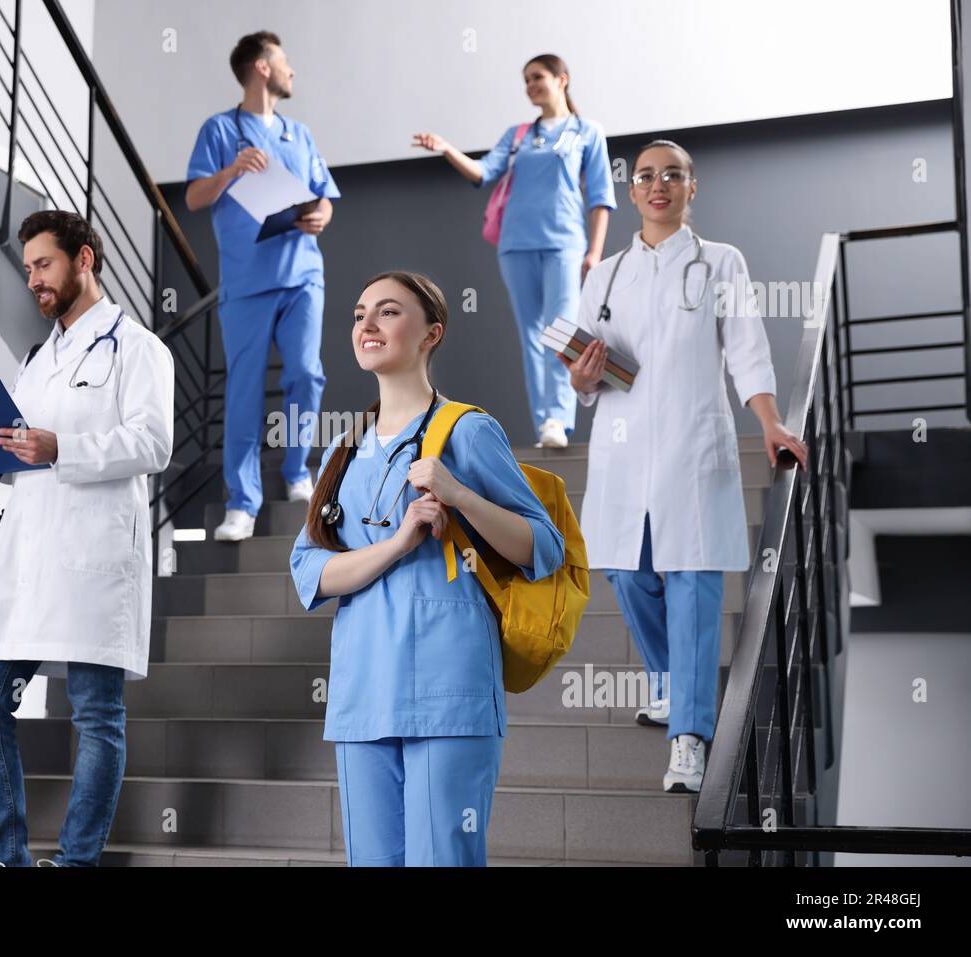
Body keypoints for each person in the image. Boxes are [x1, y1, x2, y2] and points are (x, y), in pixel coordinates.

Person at [288, 271, 565, 866]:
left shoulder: (467, 430)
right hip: (363, 692)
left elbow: (543, 546)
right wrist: (398, 543)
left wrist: (460, 495)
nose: (367, 325)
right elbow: (311, 572)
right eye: (360, 314)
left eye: (388, 313)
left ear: (431, 333)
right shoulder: (346, 448)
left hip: (449, 688)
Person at [564, 140, 809, 793]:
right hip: (622, 448)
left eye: (672, 174)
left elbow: (747, 349)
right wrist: (583, 377)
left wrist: (769, 420)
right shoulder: (605, 274)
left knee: (694, 588)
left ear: (691, 187)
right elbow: (582, 368)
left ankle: (690, 739)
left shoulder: (720, 262)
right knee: (626, 571)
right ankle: (675, 685)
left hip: (692, 450)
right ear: (632, 190)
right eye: (646, 175)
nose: (658, 184)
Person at [0, 210, 175, 867]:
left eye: (44, 264)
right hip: (25, 560)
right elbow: (27, 449)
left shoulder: (138, 348)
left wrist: (61, 447)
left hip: (92, 560)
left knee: (97, 715)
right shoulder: (34, 359)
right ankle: (8, 857)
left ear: (85, 260)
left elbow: (154, 442)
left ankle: (77, 862)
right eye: (27, 269)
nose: (33, 280)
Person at [412, 53, 615, 449]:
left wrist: (595, 252)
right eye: (526, 80)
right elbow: (483, 172)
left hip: (564, 242)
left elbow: (601, 197)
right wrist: (447, 149)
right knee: (532, 334)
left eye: (538, 77)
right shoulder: (519, 134)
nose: (531, 86)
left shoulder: (587, 131)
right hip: (516, 245)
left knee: (561, 328)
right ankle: (545, 423)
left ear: (562, 79)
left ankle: (559, 416)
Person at [186, 30, 341, 541]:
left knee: (305, 373)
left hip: (302, 275)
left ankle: (298, 473)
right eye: (284, 60)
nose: (291, 69)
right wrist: (232, 170)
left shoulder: (301, 134)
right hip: (248, 283)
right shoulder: (219, 129)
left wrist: (321, 215)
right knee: (245, 392)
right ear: (261, 68)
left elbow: (325, 198)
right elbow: (193, 198)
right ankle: (242, 503)